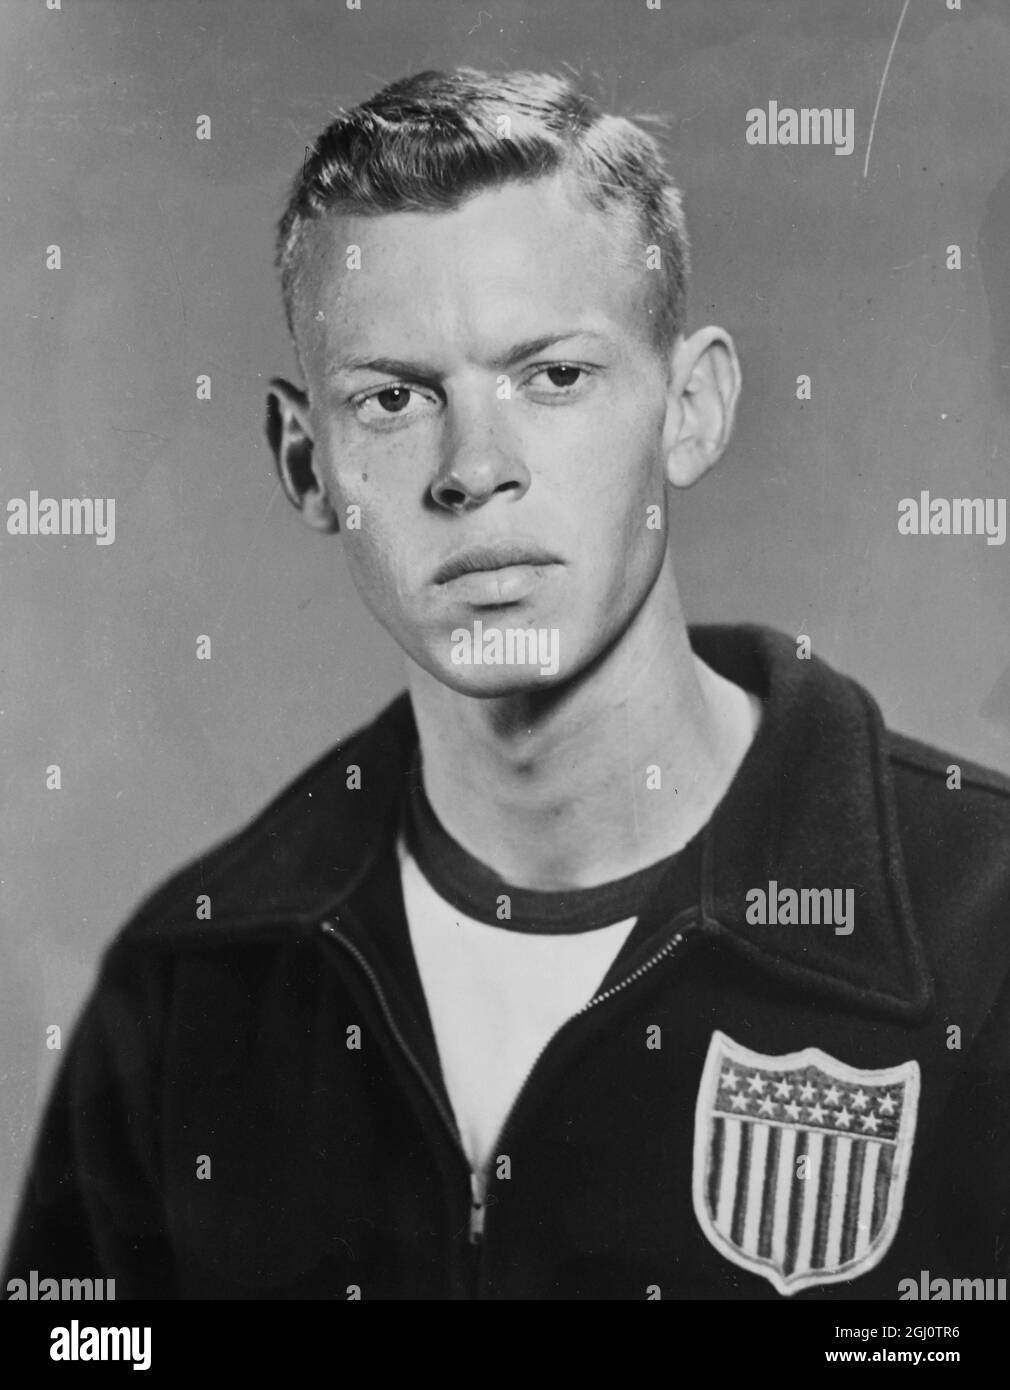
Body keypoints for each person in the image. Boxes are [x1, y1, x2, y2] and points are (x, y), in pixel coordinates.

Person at [4, 67, 1010, 1302]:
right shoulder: (190, 984)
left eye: (554, 378)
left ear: (689, 409)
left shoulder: (985, 924)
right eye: (391, 398)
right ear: (305, 462)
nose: (473, 470)